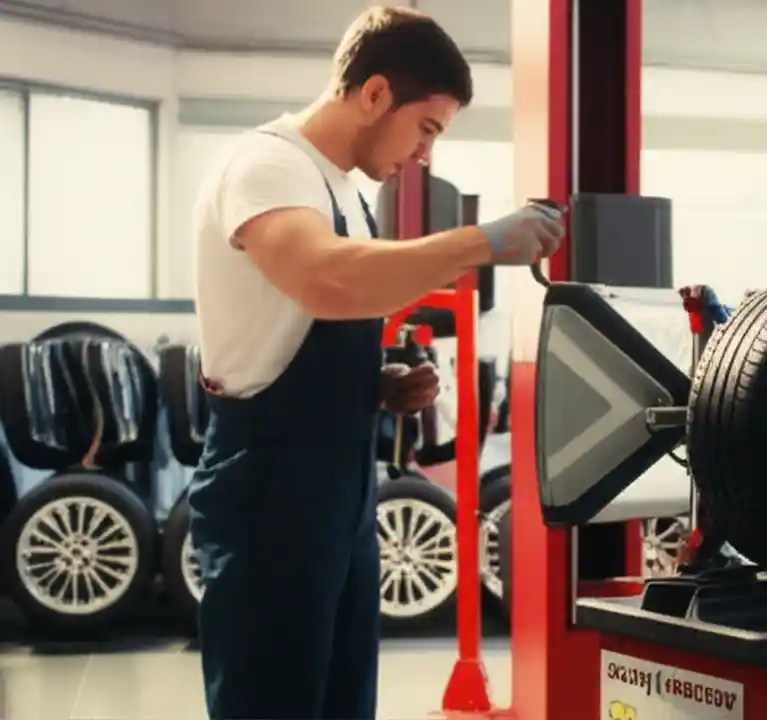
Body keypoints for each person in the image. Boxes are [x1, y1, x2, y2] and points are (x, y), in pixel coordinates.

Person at [187, 6, 564, 719]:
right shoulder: (267, 163)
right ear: (374, 94)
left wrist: (377, 387)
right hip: (271, 482)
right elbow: (328, 279)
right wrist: (481, 242)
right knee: (274, 701)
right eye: (427, 128)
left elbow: (309, 314)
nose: (426, 155)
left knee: (340, 699)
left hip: (340, 482)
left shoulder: (345, 191)